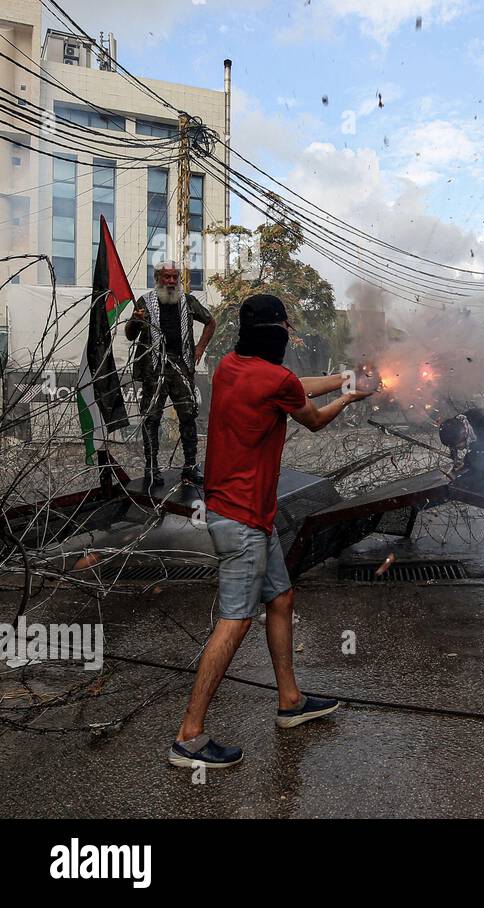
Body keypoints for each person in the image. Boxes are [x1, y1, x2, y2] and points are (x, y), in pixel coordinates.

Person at [168, 295, 375, 770]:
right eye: (285, 326)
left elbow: (293, 386)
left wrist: (346, 378)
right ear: (278, 331)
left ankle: (290, 701)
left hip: (249, 514)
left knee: (281, 599)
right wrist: (349, 395)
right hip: (241, 521)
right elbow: (315, 417)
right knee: (236, 620)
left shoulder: (229, 366)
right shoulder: (274, 379)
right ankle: (189, 735)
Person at [125, 261, 215, 487]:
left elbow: (210, 321)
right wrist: (136, 320)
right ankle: (152, 468)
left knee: (188, 415)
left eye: (175, 277)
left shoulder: (188, 301)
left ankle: (190, 467)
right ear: (158, 278)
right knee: (151, 419)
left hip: (181, 366)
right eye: (167, 277)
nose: (172, 281)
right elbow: (129, 334)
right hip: (154, 369)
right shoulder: (146, 301)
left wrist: (200, 348)